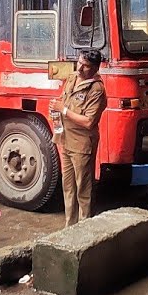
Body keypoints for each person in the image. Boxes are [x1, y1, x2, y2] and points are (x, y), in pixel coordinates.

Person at [48, 50, 108, 227]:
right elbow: (62, 100)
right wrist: (55, 109)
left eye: (86, 65)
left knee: (83, 188)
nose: (80, 68)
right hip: (65, 139)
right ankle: (69, 226)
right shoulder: (73, 77)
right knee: (68, 187)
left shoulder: (97, 89)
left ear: (96, 68)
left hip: (82, 144)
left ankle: (84, 227)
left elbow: (89, 121)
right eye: (80, 62)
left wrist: (63, 110)